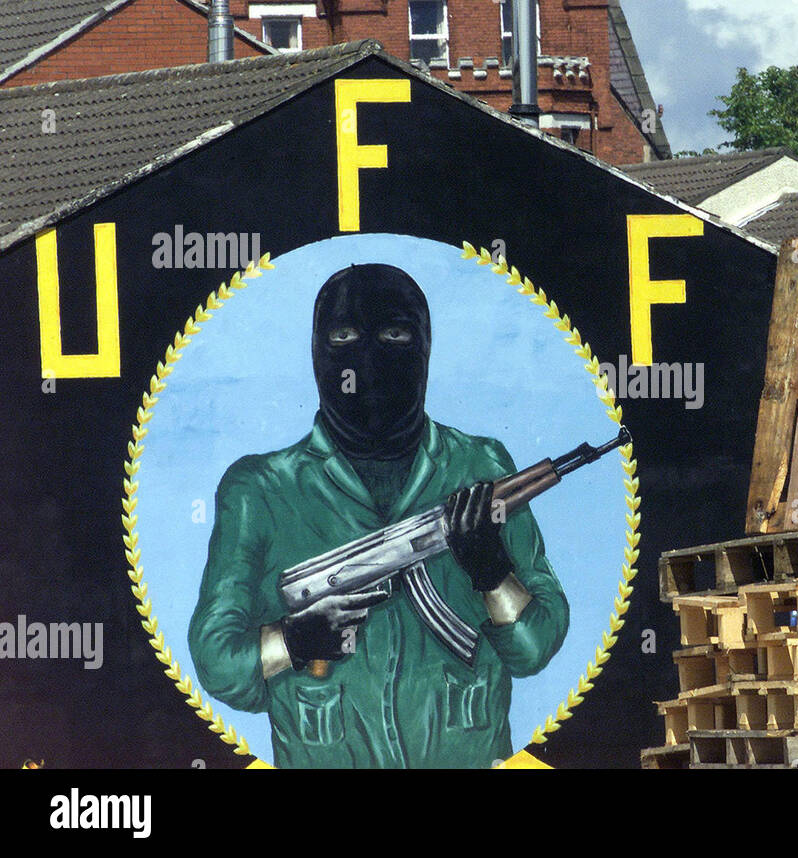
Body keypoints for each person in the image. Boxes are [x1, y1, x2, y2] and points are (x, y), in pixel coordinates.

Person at [188, 263, 569, 768]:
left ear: (425, 348)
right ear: (316, 350)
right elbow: (217, 661)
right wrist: (295, 640)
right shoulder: (259, 490)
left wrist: (493, 574)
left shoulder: (481, 466)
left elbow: (536, 647)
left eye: (394, 333)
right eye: (344, 335)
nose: (366, 357)